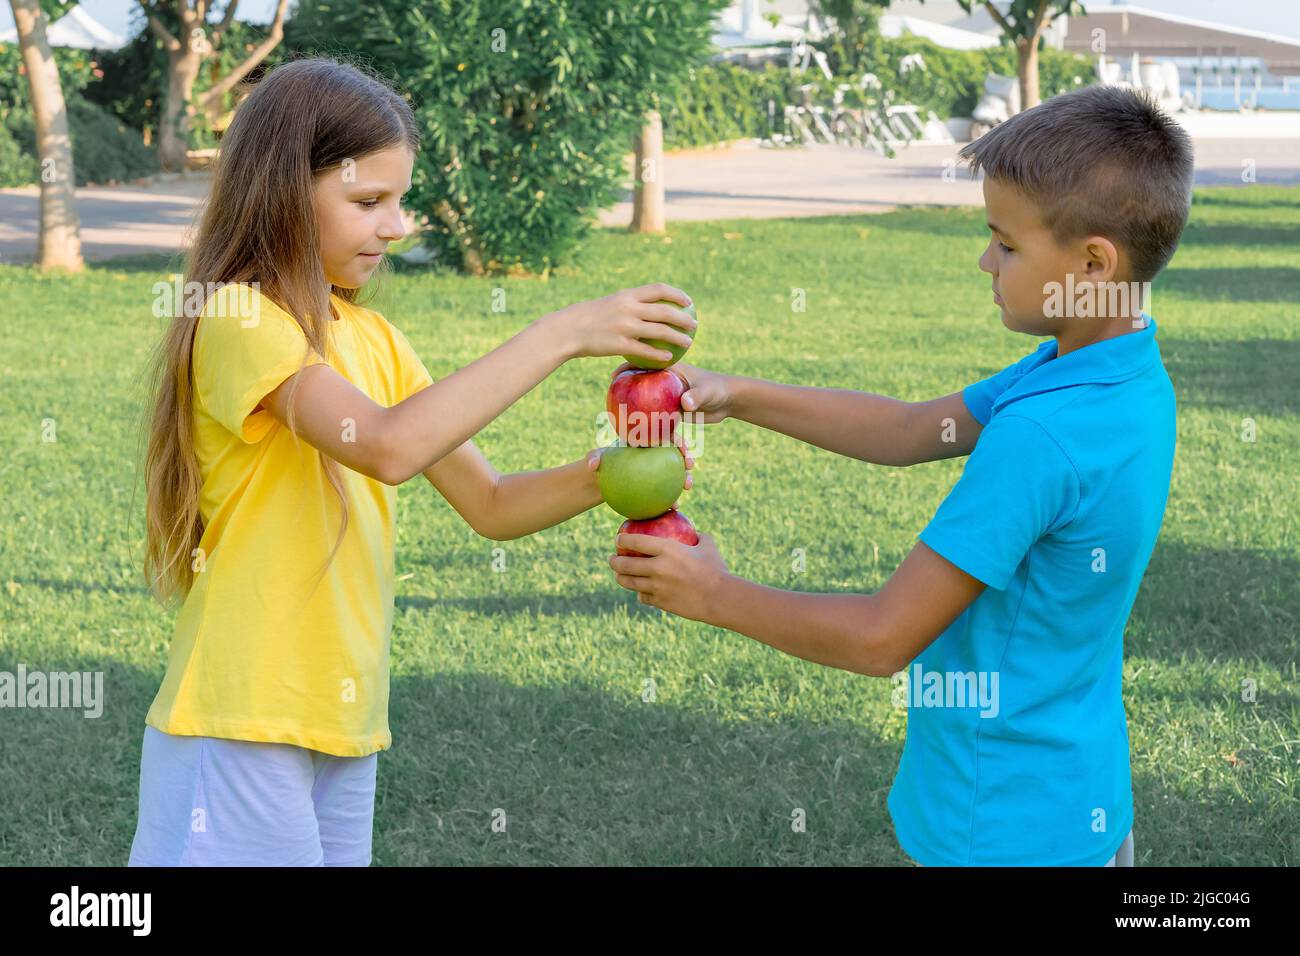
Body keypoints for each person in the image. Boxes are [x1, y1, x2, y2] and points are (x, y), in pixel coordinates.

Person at [609, 85, 1194, 866]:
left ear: (1092, 262)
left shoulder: (1038, 436)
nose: (986, 261)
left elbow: (883, 638)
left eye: (1007, 244)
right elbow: (911, 427)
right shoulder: (1113, 373)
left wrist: (714, 594)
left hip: (997, 826)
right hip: (1079, 795)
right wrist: (741, 394)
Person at [130, 57, 694, 866]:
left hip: (342, 716)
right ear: (287, 190)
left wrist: (617, 469)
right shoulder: (239, 318)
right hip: (241, 715)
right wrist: (564, 333)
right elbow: (387, 446)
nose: (396, 227)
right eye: (368, 203)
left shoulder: (375, 340)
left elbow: (491, 503)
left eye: (400, 201)